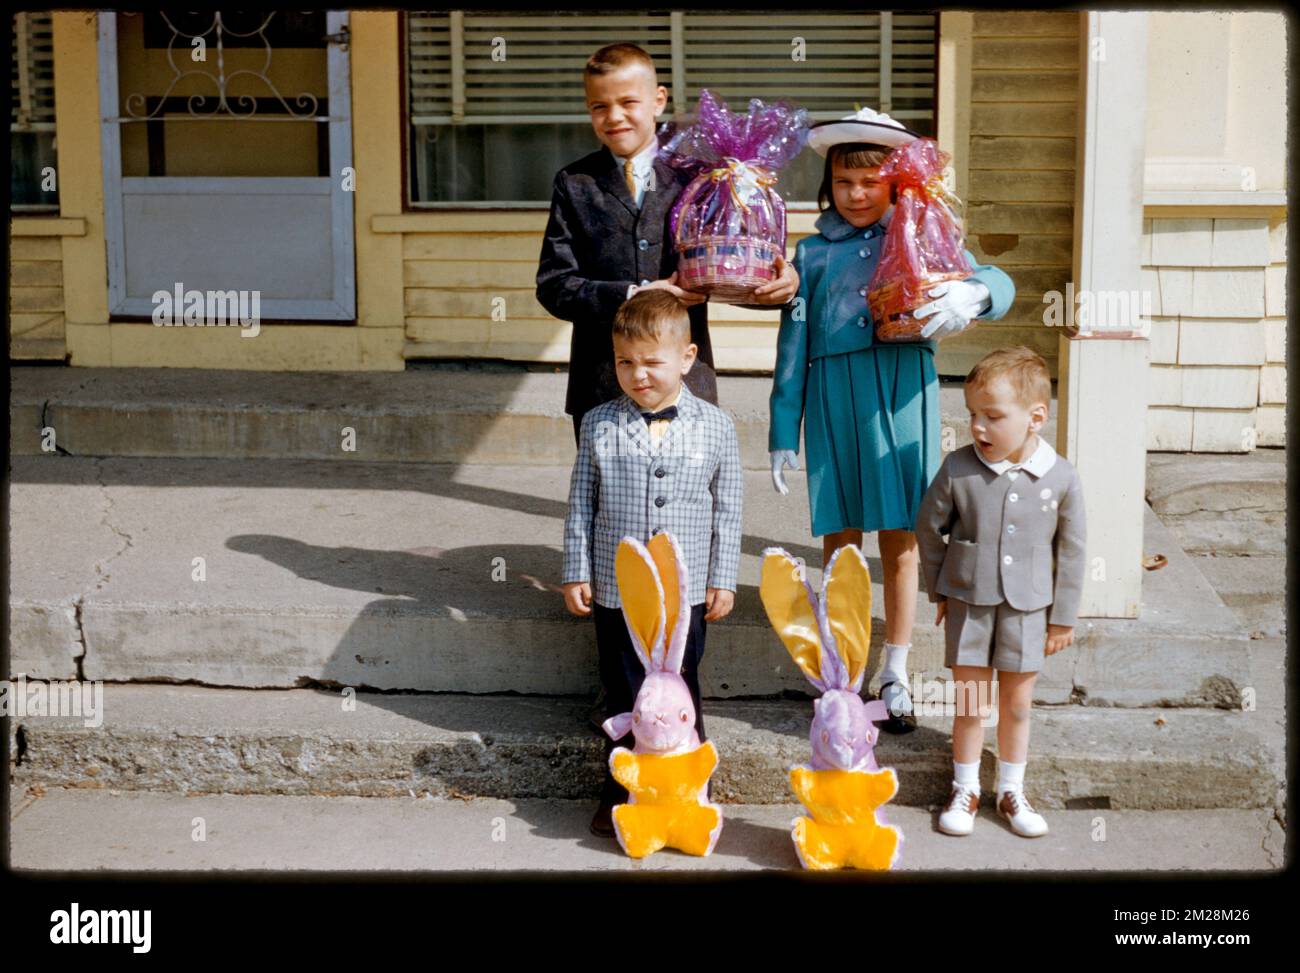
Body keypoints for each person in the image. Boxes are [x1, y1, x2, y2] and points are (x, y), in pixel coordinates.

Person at [768, 106, 1016, 734]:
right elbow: (792, 342)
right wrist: (781, 430)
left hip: (903, 393)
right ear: (829, 184)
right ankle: (843, 666)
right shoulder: (812, 251)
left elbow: (994, 278)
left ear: (894, 182)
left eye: (870, 182)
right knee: (840, 536)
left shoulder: (922, 233)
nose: (856, 194)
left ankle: (896, 669)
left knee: (903, 538)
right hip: (832, 396)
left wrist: (976, 293)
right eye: (844, 182)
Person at [536, 41, 798, 445]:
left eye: (628, 102)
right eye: (599, 107)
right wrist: (632, 294)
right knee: (605, 501)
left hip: (686, 383)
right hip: (602, 386)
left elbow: (729, 268)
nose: (614, 116)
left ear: (658, 100)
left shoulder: (702, 177)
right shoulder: (574, 183)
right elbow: (555, 286)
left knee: (687, 501)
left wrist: (777, 286)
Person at [561, 288, 743, 838]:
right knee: (623, 691)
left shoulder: (717, 426)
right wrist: (576, 569)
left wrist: (722, 579)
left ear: (687, 359)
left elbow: (729, 510)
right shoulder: (598, 423)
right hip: (619, 591)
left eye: (652, 362)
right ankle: (622, 789)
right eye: (625, 362)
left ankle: (692, 790)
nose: (639, 374)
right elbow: (580, 504)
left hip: (684, 593)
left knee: (681, 686)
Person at [915, 346, 1087, 837]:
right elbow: (929, 530)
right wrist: (941, 590)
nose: (978, 427)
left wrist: (1063, 618)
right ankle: (964, 787)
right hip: (969, 606)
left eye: (992, 416)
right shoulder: (958, 469)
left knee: (1016, 704)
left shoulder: (1061, 476)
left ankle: (1011, 789)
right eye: (972, 414)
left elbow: (1072, 551)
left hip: (1029, 610)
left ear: (1036, 417)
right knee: (970, 701)